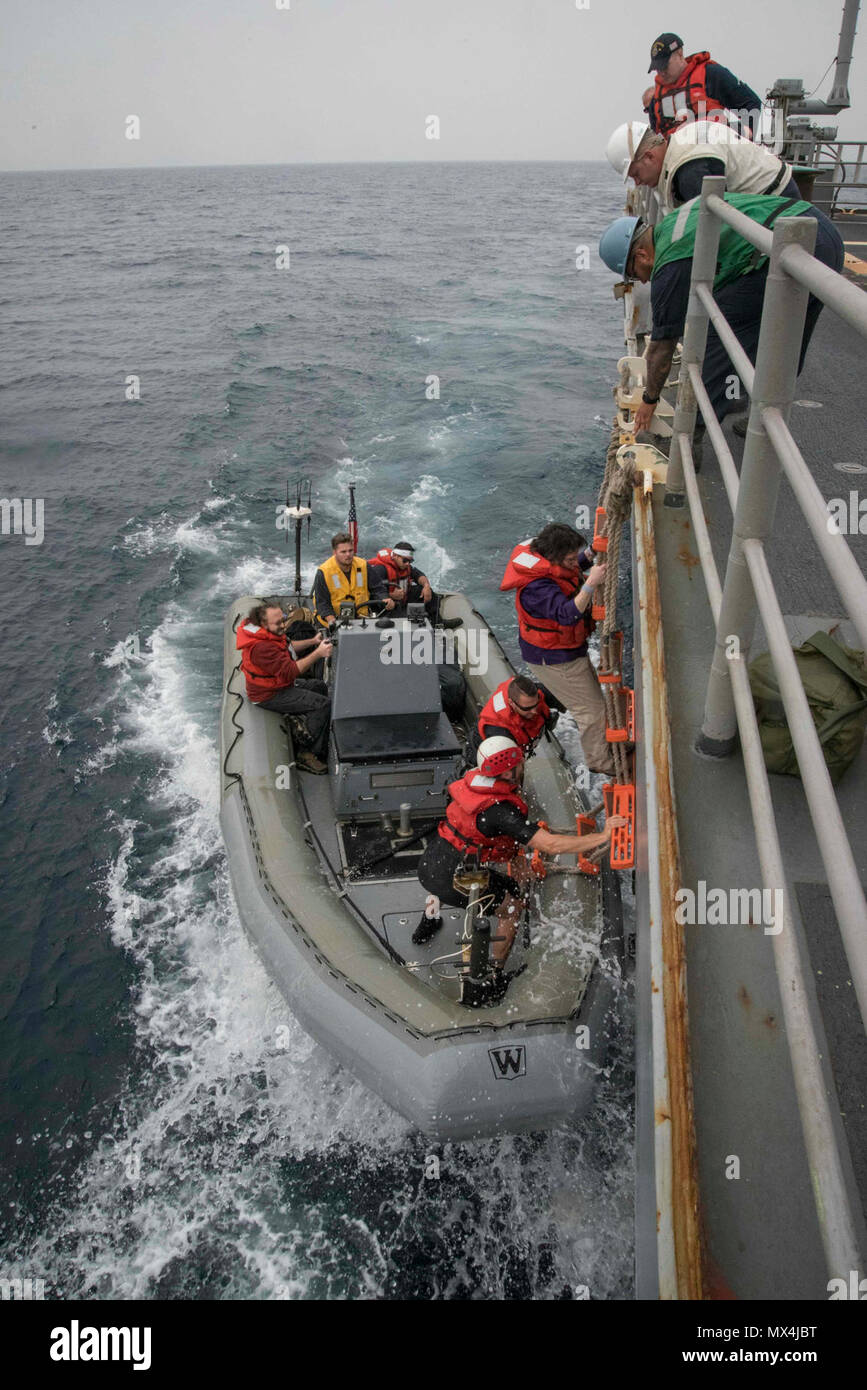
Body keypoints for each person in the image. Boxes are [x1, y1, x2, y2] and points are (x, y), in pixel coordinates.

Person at [598, 192, 844, 440]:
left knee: (719, 332)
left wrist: (649, 401)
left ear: (641, 255)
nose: (641, 280)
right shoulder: (673, 224)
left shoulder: (669, 263)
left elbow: (663, 348)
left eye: (633, 273)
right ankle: (760, 411)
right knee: (790, 340)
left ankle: (690, 437)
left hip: (785, 246)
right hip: (821, 231)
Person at [413, 738, 623, 988]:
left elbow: (479, 833)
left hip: (432, 861)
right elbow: (550, 845)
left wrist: (513, 856)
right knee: (511, 905)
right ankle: (493, 975)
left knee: (438, 886)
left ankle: (428, 921)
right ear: (509, 770)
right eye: (519, 762)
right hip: (454, 877)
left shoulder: (473, 782)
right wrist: (602, 836)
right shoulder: (500, 811)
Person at [500, 524, 613, 774]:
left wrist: (591, 554)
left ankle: (607, 747)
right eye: (572, 558)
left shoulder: (549, 562)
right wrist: (591, 584)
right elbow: (567, 614)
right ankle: (601, 762)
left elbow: (568, 570)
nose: (577, 563)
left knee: (594, 701)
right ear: (553, 557)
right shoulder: (535, 589)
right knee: (591, 710)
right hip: (555, 659)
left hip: (566, 650)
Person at [613, 121, 798, 213]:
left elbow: (715, 226)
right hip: (775, 190)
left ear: (649, 156)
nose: (637, 183)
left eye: (635, 173)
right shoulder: (682, 144)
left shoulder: (689, 172)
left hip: (776, 201)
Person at [236, 600, 333, 774]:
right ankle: (307, 753)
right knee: (323, 704)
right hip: (269, 694)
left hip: (279, 685)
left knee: (318, 686)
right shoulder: (261, 648)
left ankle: (307, 725)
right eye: (278, 623)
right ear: (264, 624)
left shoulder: (268, 634)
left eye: (283, 620)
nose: (283, 625)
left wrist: (313, 641)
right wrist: (318, 653)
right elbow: (289, 671)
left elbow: (288, 648)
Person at [645, 32, 761, 138]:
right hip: (676, 158)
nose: (662, 72)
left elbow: (750, 102)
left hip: (713, 153)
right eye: (658, 68)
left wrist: (745, 135)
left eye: (665, 66)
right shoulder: (656, 100)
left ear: (680, 54)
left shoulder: (710, 74)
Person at [366, 540, 462, 628]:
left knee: (425, 591)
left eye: (410, 561)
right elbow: (373, 592)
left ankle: (437, 623)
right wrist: (390, 595)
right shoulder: (380, 569)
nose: (408, 564)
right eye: (405, 560)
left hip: (403, 599)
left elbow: (419, 575)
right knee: (412, 620)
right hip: (387, 607)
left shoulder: (405, 566)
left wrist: (426, 586)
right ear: (395, 556)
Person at [466, 674, 554, 766]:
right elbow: (509, 770)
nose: (535, 711)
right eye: (527, 708)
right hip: (485, 751)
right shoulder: (499, 732)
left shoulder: (527, 693)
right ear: (512, 703)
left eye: (536, 705)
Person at [312, 532, 388, 628]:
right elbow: (322, 603)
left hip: (361, 620)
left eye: (350, 550)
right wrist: (332, 621)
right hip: (332, 622)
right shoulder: (324, 572)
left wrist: (385, 598)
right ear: (335, 552)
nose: (348, 555)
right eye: (343, 552)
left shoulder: (363, 565)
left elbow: (378, 588)